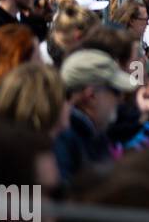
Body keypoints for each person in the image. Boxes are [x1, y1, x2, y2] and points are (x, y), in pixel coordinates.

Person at [53, 49, 138, 186]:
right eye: (116, 91)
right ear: (91, 96)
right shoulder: (65, 141)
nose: (120, 99)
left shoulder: (93, 133)